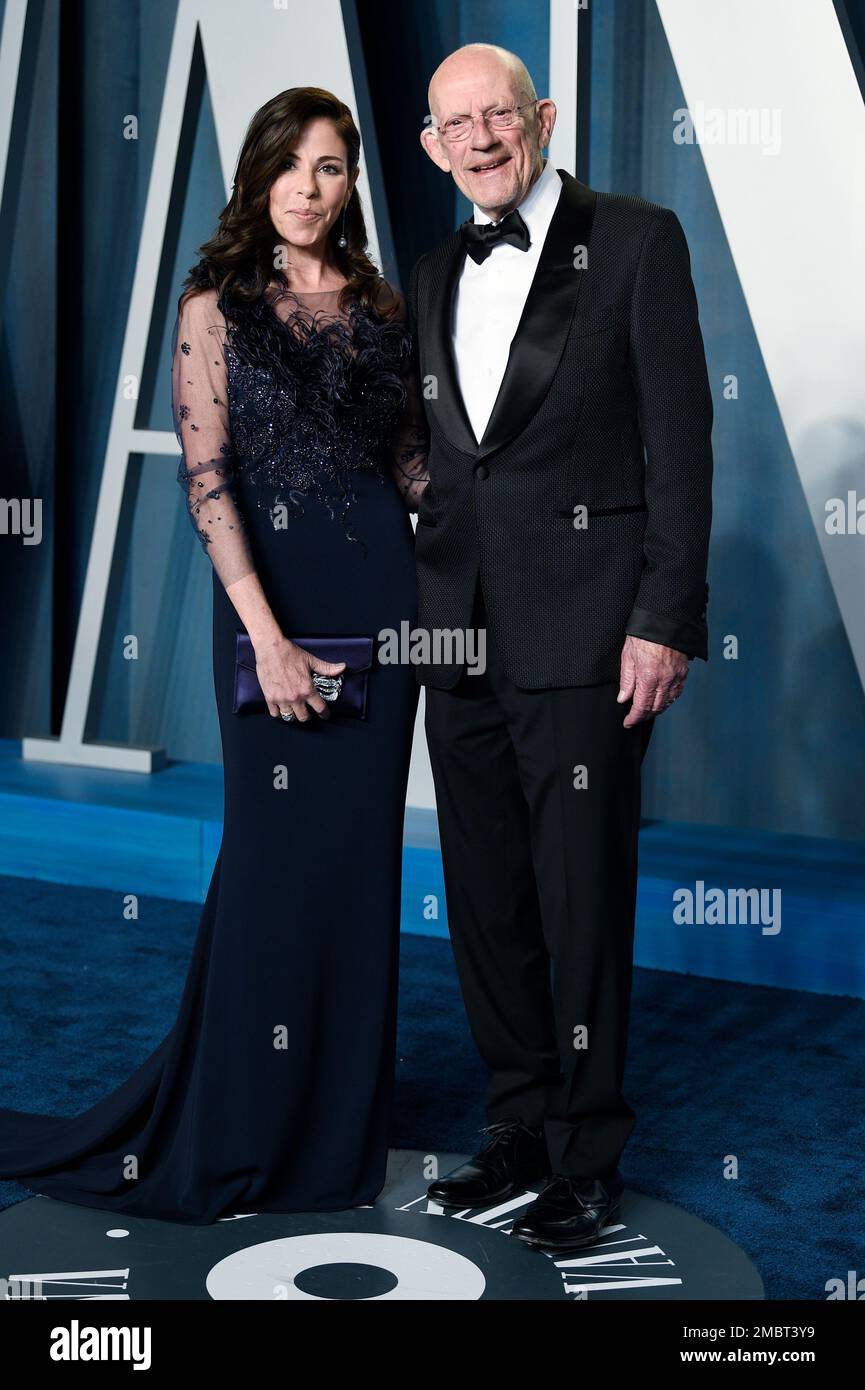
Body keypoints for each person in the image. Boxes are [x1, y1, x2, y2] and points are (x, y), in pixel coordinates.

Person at [0, 87, 429, 1224]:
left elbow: (411, 469)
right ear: (257, 176)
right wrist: (267, 637)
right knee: (274, 870)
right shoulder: (213, 307)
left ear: (349, 187)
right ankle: (240, 1125)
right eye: (290, 164)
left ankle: (337, 1136)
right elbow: (208, 481)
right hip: (272, 605)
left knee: (356, 871)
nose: (308, 186)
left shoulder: (385, 308)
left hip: (382, 606)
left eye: (331, 167)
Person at [409, 44, 713, 1251]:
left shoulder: (635, 240)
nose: (479, 139)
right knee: (486, 902)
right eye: (453, 125)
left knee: (579, 901)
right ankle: (518, 1133)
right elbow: (444, 461)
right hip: (456, 633)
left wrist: (663, 617)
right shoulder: (433, 266)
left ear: (540, 118)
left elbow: (679, 452)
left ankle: (587, 1157)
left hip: (590, 634)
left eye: (497, 115)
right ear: (432, 147)